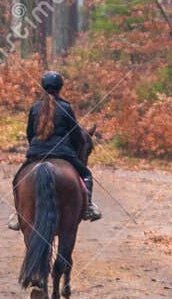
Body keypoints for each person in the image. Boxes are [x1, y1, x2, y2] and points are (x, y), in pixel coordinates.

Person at [8, 70, 102, 228]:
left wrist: (37, 148)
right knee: (86, 174)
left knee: (17, 181)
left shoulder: (35, 108)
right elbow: (76, 135)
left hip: (37, 154)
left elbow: (30, 134)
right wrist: (75, 147)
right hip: (63, 154)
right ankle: (88, 207)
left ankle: (19, 215)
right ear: (60, 87)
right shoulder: (66, 107)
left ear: (43, 87)